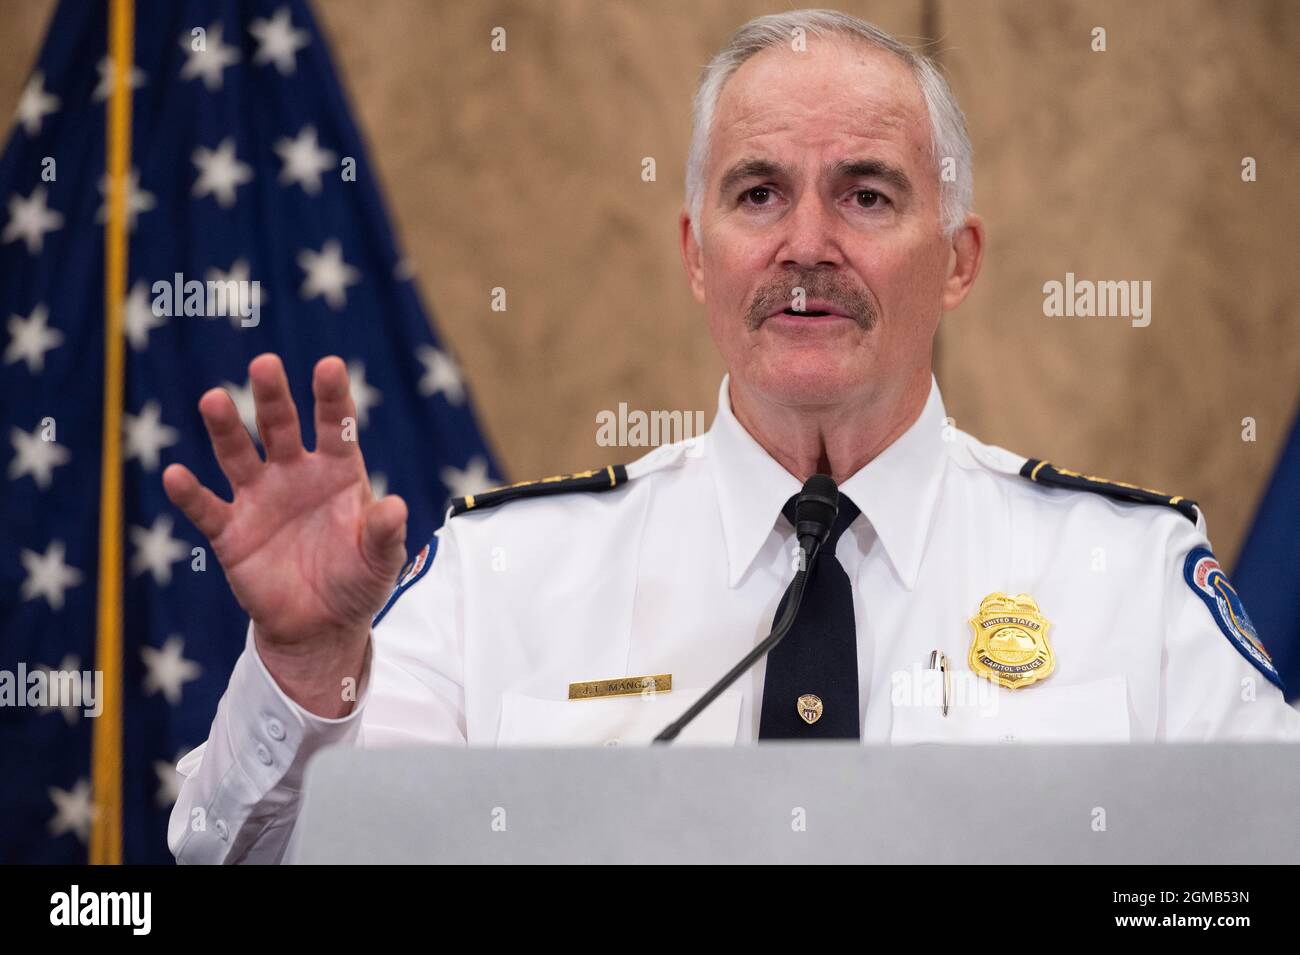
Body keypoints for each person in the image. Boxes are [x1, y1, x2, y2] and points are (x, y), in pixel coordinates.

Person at [163, 9, 1298, 864]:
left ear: (957, 258)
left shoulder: (1130, 581)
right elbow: (247, 857)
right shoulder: (500, 577)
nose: (806, 242)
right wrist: (307, 674)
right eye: (757, 194)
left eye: (865, 194)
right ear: (697, 253)